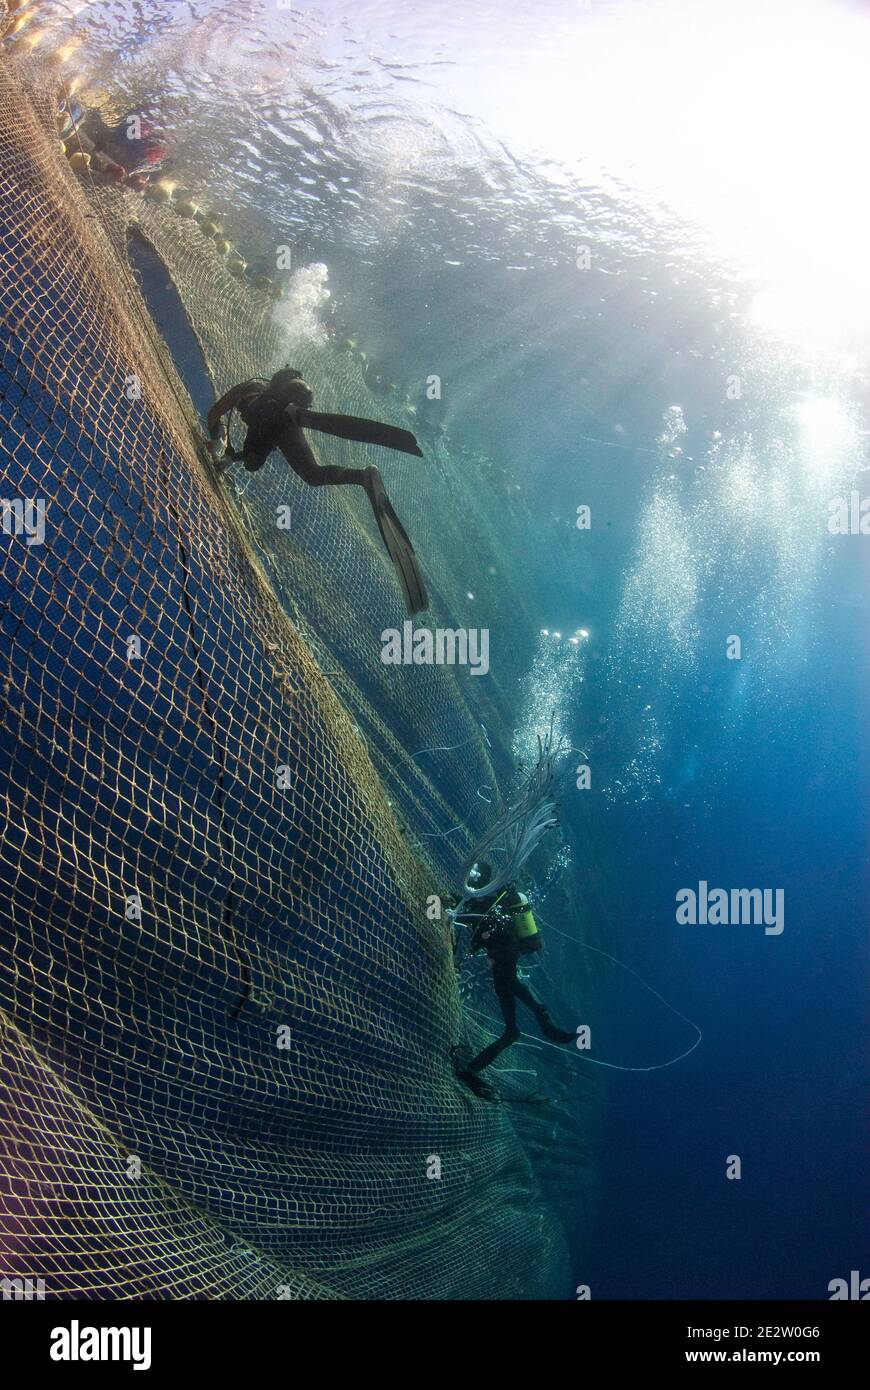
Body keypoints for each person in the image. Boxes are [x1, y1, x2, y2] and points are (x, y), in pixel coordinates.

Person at [206, 368, 428, 614]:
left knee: (252, 463)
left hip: (266, 417)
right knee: (311, 473)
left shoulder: (244, 394)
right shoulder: (263, 393)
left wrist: (221, 442)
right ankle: (362, 476)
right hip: (283, 422)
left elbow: (215, 413)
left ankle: (291, 414)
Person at [452, 862, 575, 1098]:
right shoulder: (489, 900)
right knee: (511, 1021)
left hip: (504, 960)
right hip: (503, 961)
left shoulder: (490, 901)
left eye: (475, 876)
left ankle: (542, 1017)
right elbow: (470, 919)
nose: (473, 879)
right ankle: (473, 1068)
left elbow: (475, 921)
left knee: (510, 988)